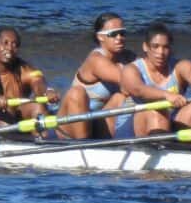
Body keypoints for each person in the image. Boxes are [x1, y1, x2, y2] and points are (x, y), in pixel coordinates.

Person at [115, 22, 191, 139]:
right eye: (155, 46)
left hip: (168, 123)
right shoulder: (131, 69)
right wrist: (166, 95)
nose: (160, 52)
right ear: (145, 47)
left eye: (165, 47)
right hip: (134, 128)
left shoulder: (179, 66)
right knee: (156, 111)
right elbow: (138, 90)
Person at [55, 12, 136, 140]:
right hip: (70, 126)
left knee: (120, 97)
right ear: (100, 37)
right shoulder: (96, 60)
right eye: (113, 34)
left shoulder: (128, 57)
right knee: (77, 92)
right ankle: (83, 145)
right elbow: (132, 82)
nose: (119, 37)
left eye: (122, 33)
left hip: (97, 123)